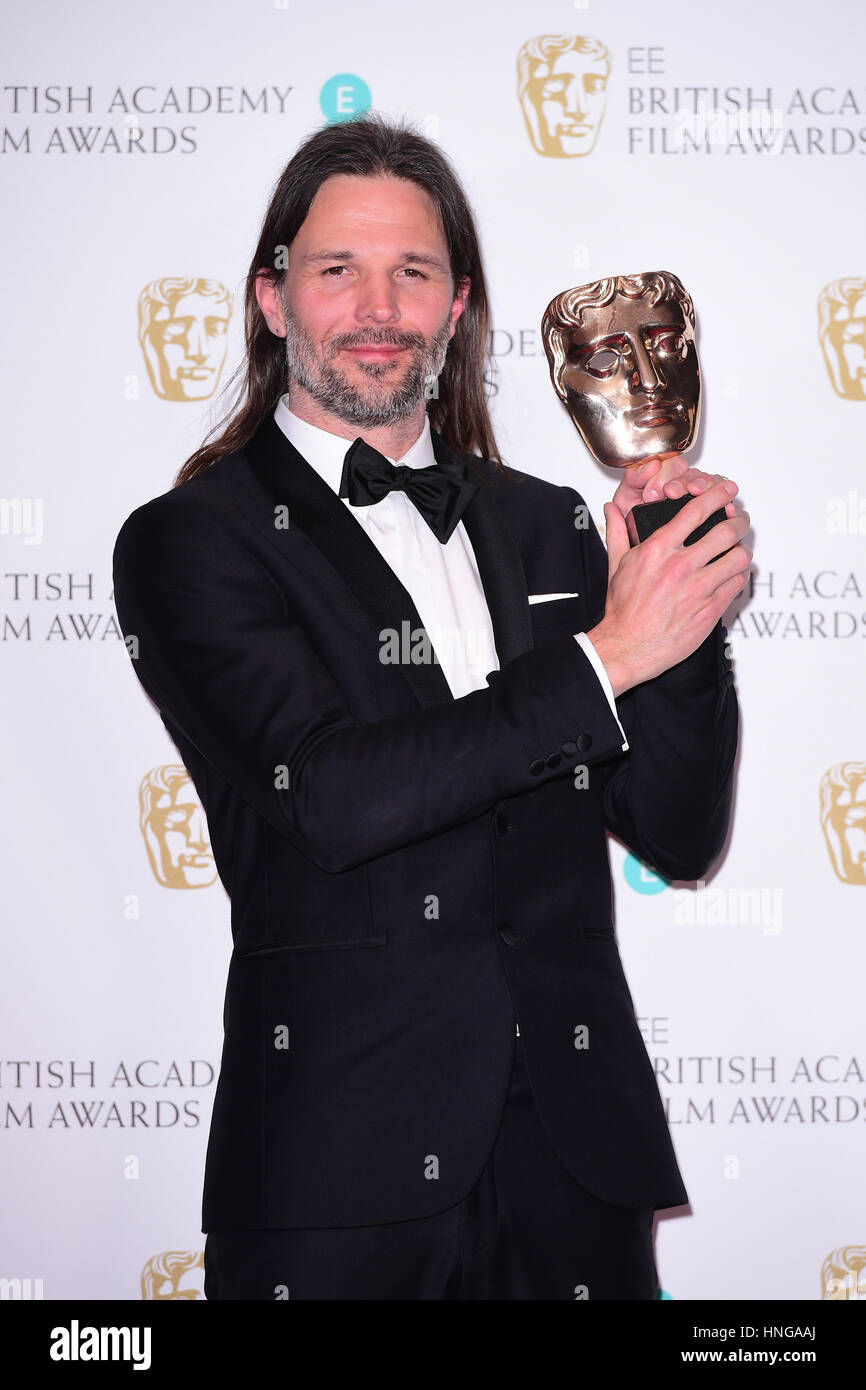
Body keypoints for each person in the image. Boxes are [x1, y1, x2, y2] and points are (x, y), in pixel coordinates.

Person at [112, 112, 750, 1301]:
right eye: (334, 270)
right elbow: (337, 793)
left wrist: (680, 605)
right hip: (332, 1179)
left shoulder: (542, 519)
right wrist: (610, 654)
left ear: (456, 308)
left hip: (574, 1166)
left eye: (412, 273)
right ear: (270, 298)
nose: (376, 307)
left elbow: (676, 830)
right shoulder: (190, 543)